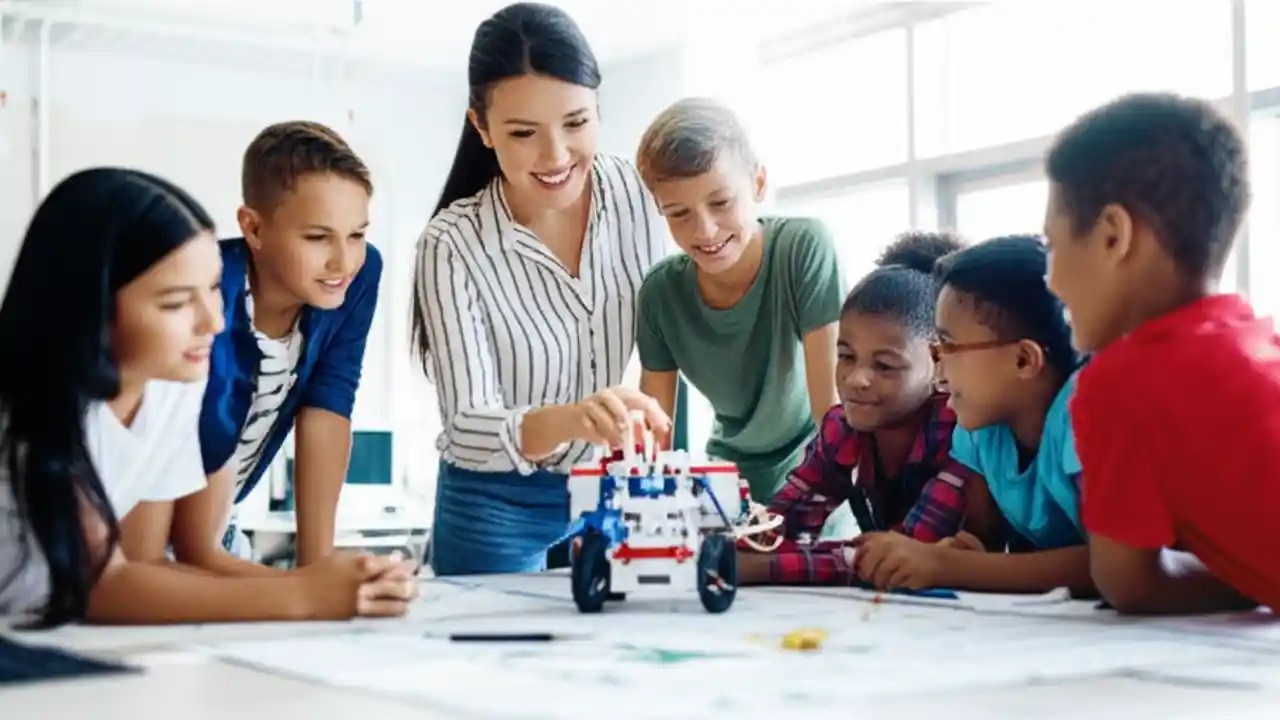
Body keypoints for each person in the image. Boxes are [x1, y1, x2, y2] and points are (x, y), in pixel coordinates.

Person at [0, 168, 412, 626]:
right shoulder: (40, 405)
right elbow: (101, 587)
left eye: (214, 288)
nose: (212, 322)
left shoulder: (175, 390)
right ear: (89, 304)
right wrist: (304, 595)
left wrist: (335, 584)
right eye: (176, 303)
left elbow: (139, 567)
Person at [411, 2, 670, 576]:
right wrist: (575, 418)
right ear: (481, 128)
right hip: (495, 503)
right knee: (496, 659)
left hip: (608, 488)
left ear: (598, 106)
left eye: (576, 123)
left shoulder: (639, 193)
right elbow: (469, 426)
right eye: (523, 133)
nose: (556, 157)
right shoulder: (451, 243)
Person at [1044, 92, 1279, 613]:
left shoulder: (1119, 384)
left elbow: (1129, 584)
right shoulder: (1255, 339)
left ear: (1112, 236)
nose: (1053, 281)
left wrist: (1245, 582)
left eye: (1053, 246)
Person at [171, 120, 382, 571]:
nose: (343, 261)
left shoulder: (357, 278)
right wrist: (307, 591)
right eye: (316, 237)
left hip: (221, 529)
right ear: (253, 227)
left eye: (357, 234)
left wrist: (315, 565)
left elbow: (329, 402)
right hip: (144, 536)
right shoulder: (208, 292)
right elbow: (206, 434)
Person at [634, 98, 846, 525]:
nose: (705, 231)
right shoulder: (660, 294)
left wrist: (805, 506)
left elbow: (832, 415)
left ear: (758, 182)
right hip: (729, 486)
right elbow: (651, 444)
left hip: (821, 477)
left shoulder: (803, 248)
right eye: (679, 214)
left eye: (721, 202)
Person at [737, 233, 980, 585]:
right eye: (846, 357)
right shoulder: (843, 427)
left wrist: (761, 567)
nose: (856, 379)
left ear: (938, 363)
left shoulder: (960, 431)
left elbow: (905, 553)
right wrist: (743, 544)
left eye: (884, 366)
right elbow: (780, 524)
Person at [853, 235, 1090, 594]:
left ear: (1023, 360)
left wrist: (947, 565)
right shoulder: (979, 428)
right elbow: (986, 544)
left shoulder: (1085, 416)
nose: (938, 368)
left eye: (947, 346)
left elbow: (1109, 565)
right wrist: (959, 551)